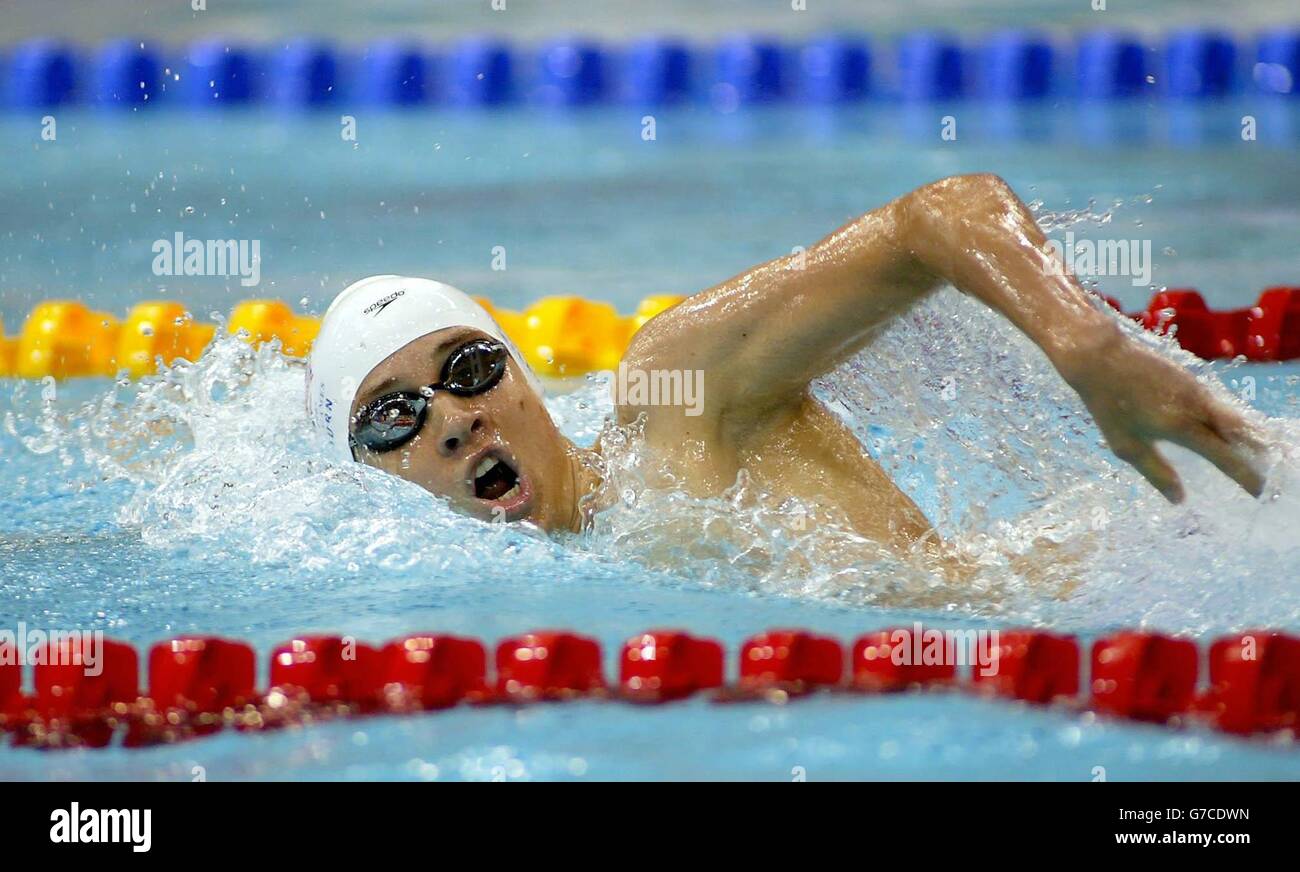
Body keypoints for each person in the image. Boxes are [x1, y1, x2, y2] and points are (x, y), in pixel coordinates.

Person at [306, 174, 1265, 553]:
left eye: (467, 367)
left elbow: (941, 215)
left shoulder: (677, 407)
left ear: (519, 374)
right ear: (367, 477)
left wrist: (1087, 346)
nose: (451, 416)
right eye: (394, 416)